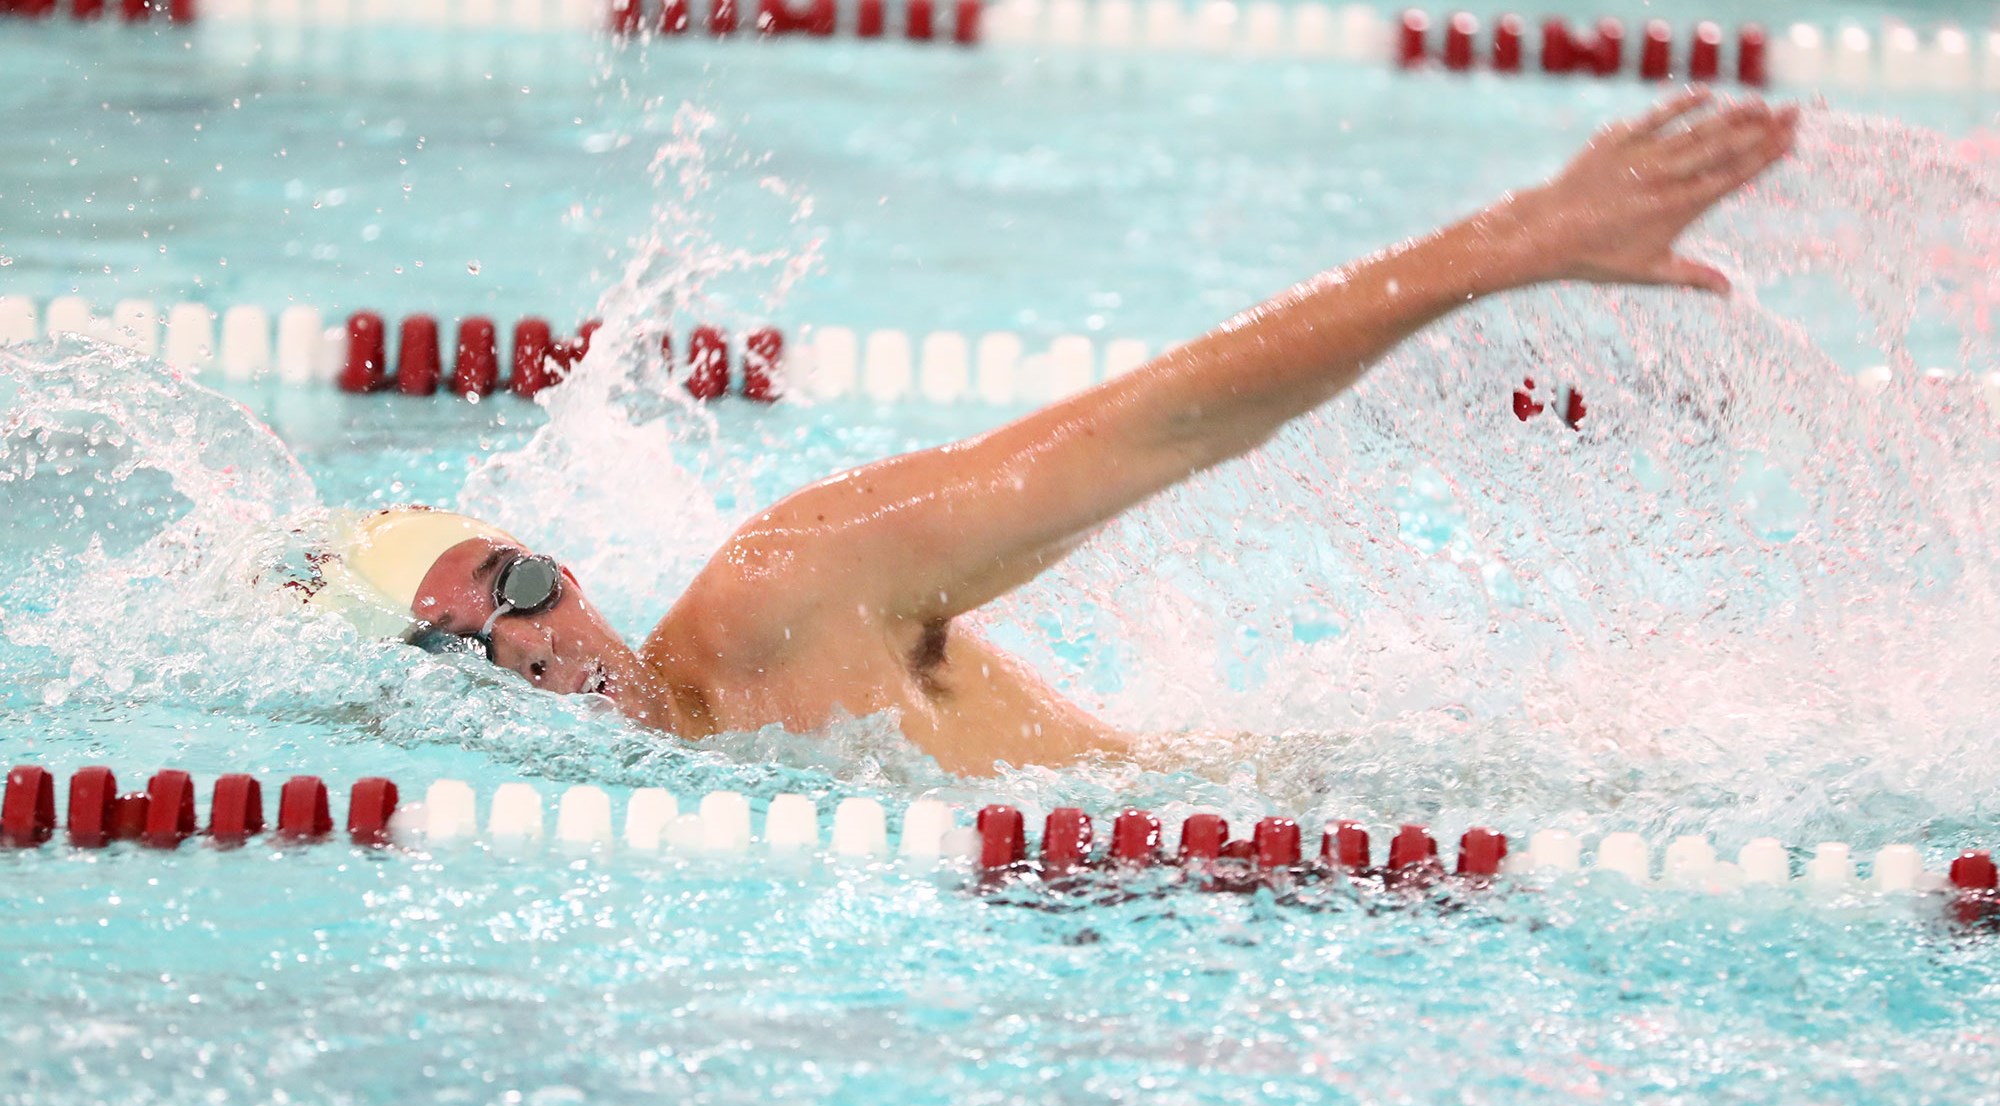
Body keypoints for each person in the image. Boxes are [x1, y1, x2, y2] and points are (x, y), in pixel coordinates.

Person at [304, 89, 1799, 776]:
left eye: (513, 584)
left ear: (561, 568)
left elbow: (1148, 432)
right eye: (456, 648)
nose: (526, 646)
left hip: (1334, 834)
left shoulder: (790, 593)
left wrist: (1508, 242)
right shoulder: (651, 807)